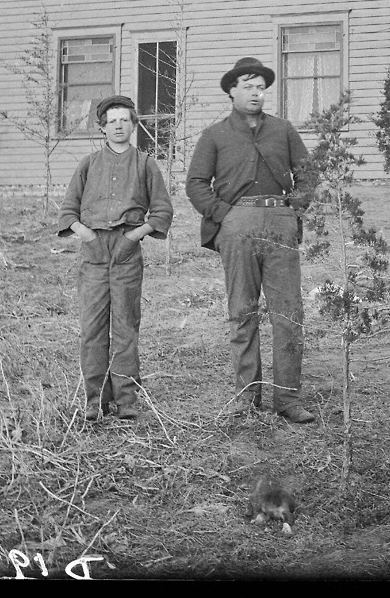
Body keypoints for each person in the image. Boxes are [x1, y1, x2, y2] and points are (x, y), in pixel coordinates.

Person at [186, 57, 315, 423]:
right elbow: (195, 183)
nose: (256, 92)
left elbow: (308, 174)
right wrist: (223, 215)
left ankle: (288, 400)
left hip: (280, 221)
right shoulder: (215, 134)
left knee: (289, 315)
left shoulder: (284, 130)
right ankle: (247, 399)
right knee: (242, 313)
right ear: (231, 90)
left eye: (260, 86)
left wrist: (293, 209)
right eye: (247, 85)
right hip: (235, 222)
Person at [58, 95, 173, 422]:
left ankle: (126, 401)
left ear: (134, 124)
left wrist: (133, 237)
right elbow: (68, 210)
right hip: (94, 254)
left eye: (125, 119)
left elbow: (163, 210)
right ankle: (95, 400)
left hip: (126, 252)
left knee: (125, 327)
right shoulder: (88, 164)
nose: (119, 126)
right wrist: (88, 235)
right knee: (92, 328)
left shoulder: (145, 164)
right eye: (112, 121)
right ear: (103, 127)